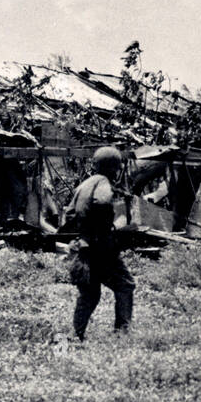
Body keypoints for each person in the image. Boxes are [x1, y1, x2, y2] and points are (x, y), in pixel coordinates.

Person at [67, 146, 134, 340]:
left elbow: (70, 213)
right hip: (101, 247)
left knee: (89, 293)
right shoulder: (104, 183)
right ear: (113, 167)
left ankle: (76, 334)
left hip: (84, 245)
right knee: (125, 285)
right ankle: (122, 332)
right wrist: (107, 227)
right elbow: (103, 202)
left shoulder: (84, 185)